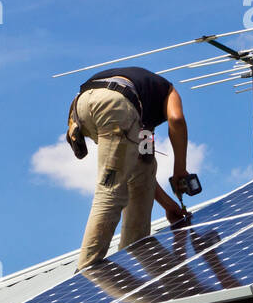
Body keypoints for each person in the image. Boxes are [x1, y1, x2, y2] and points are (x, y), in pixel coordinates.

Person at [67, 66, 191, 271]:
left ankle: (133, 250)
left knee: (143, 169)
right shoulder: (169, 90)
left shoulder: (143, 114)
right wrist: (180, 170)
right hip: (117, 104)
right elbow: (176, 119)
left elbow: (143, 172)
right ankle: (85, 271)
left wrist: (169, 205)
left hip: (81, 106)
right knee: (111, 190)